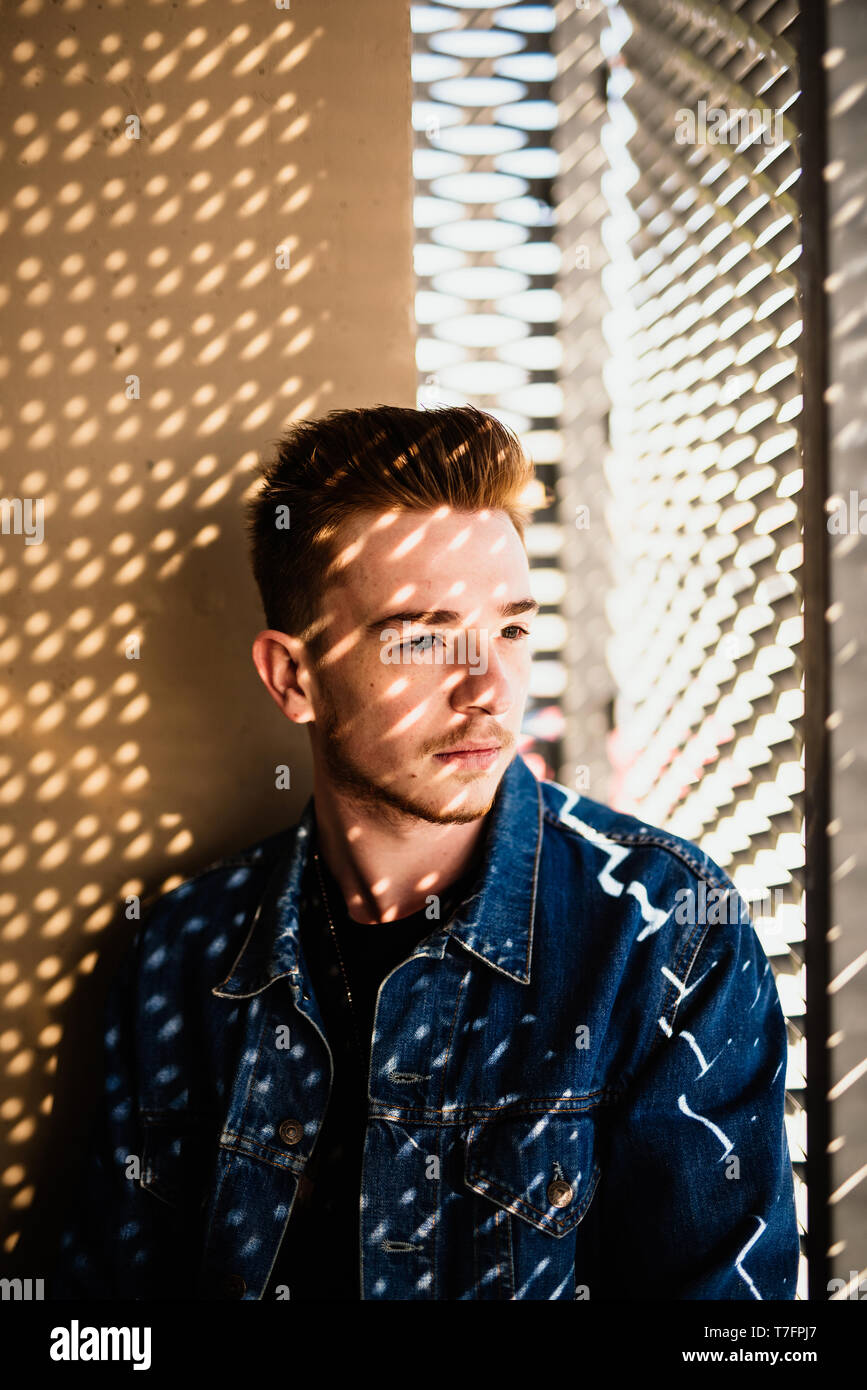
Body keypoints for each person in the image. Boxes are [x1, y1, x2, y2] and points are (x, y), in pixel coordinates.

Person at [48, 404, 800, 1300]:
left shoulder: (662, 935)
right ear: (294, 678)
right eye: (423, 637)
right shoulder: (185, 953)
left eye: (512, 630)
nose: (488, 689)